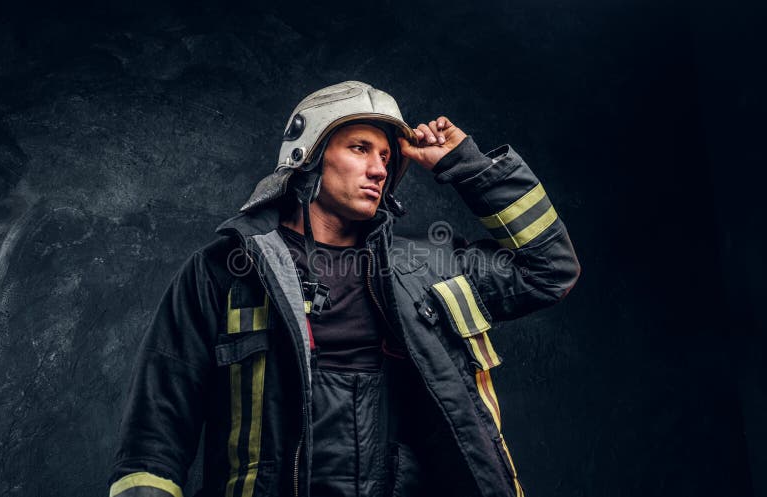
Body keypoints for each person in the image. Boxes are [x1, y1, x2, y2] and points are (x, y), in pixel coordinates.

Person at [108, 80, 580, 497]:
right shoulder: (225, 270)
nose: (379, 169)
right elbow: (155, 431)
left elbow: (549, 270)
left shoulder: (428, 267)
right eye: (359, 148)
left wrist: (466, 165)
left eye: (386, 157)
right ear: (308, 156)